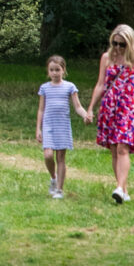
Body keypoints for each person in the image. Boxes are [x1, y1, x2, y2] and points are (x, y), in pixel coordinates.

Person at [87, 23, 134, 203]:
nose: (118, 48)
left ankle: (120, 188)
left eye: (122, 44)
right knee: (114, 149)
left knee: (123, 147)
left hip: (128, 107)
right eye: (115, 43)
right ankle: (123, 189)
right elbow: (100, 85)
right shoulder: (107, 57)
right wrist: (91, 107)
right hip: (110, 106)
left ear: (130, 43)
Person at [35, 55, 89, 199]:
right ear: (48, 71)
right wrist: (38, 128)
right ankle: (53, 178)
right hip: (48, 124)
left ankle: (59, 189)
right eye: (51, 70)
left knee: (60, 157)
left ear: (63, 70)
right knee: (47, 155)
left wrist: (85, 115)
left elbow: (77, 106)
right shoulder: (44, 88)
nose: (54, 73)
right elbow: (41, 109)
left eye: (57, 70)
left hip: (62, 125)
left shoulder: (70, 87)